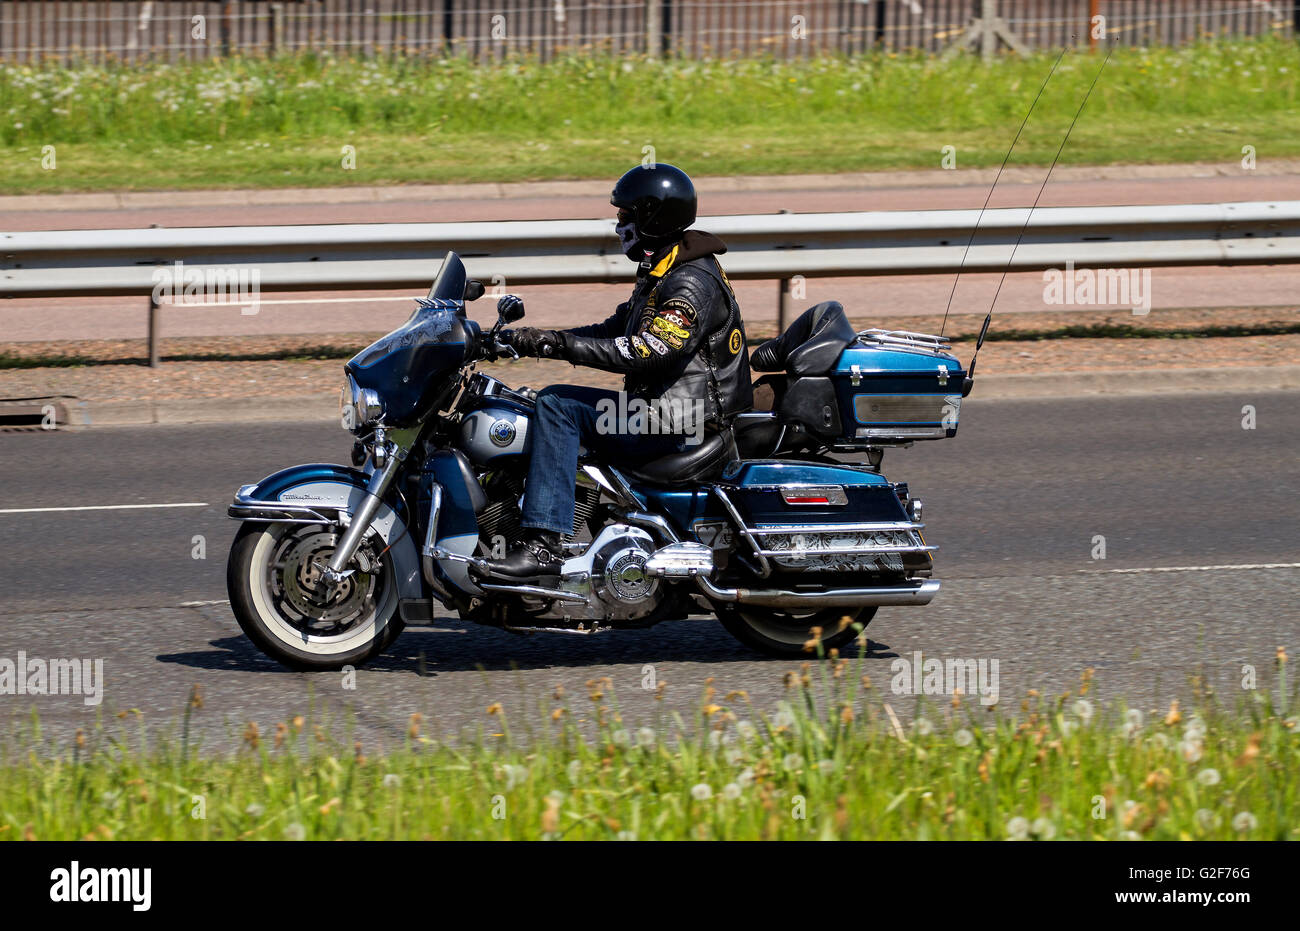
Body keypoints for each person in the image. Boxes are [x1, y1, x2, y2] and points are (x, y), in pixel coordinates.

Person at [475, 162, 753, 579]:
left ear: (652, 217)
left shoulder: (689, 282)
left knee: (558, 405)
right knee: (528, 400)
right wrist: (531, 339)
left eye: (627, 216)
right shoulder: (664, 269)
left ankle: (544, 544)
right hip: (665, 414)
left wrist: (557, 345)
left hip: (681, 423)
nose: (619, 224)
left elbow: (650, 351)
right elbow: (615, 328)